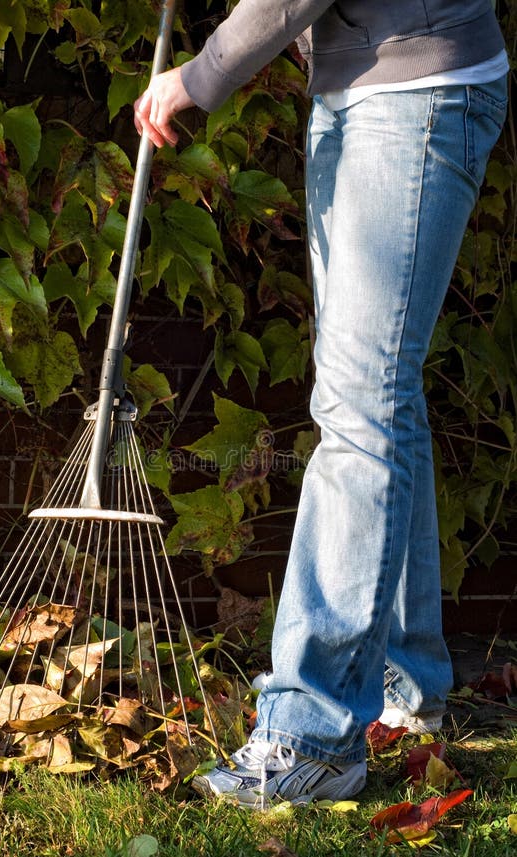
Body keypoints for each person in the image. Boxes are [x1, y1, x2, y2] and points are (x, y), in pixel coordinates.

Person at [134, 1, 508, 809]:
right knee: (378, 399)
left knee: (360, 408)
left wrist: (202, 75)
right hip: (359, 88)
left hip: (415, 91)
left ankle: (312, 735)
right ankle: (406, 690)